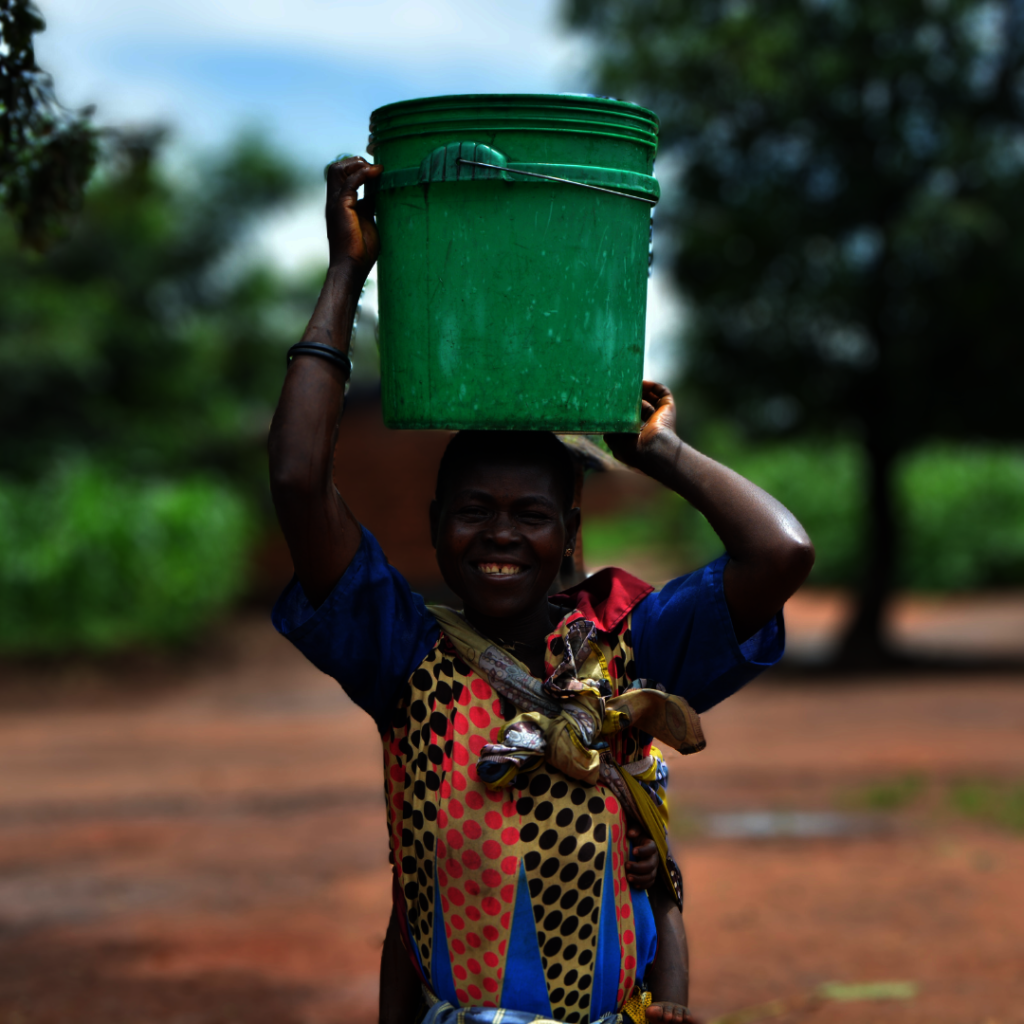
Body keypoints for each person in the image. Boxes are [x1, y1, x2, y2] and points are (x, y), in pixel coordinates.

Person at [268, 158, 815, 1024]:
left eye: (529, 514)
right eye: (474, 512)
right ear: (436, 522)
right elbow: (300, 484)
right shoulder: (405, 659)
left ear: (570, 533)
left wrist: (657, 449)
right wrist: (348, 273)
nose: (499, 534)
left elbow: (781, 552)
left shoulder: (629, 653)